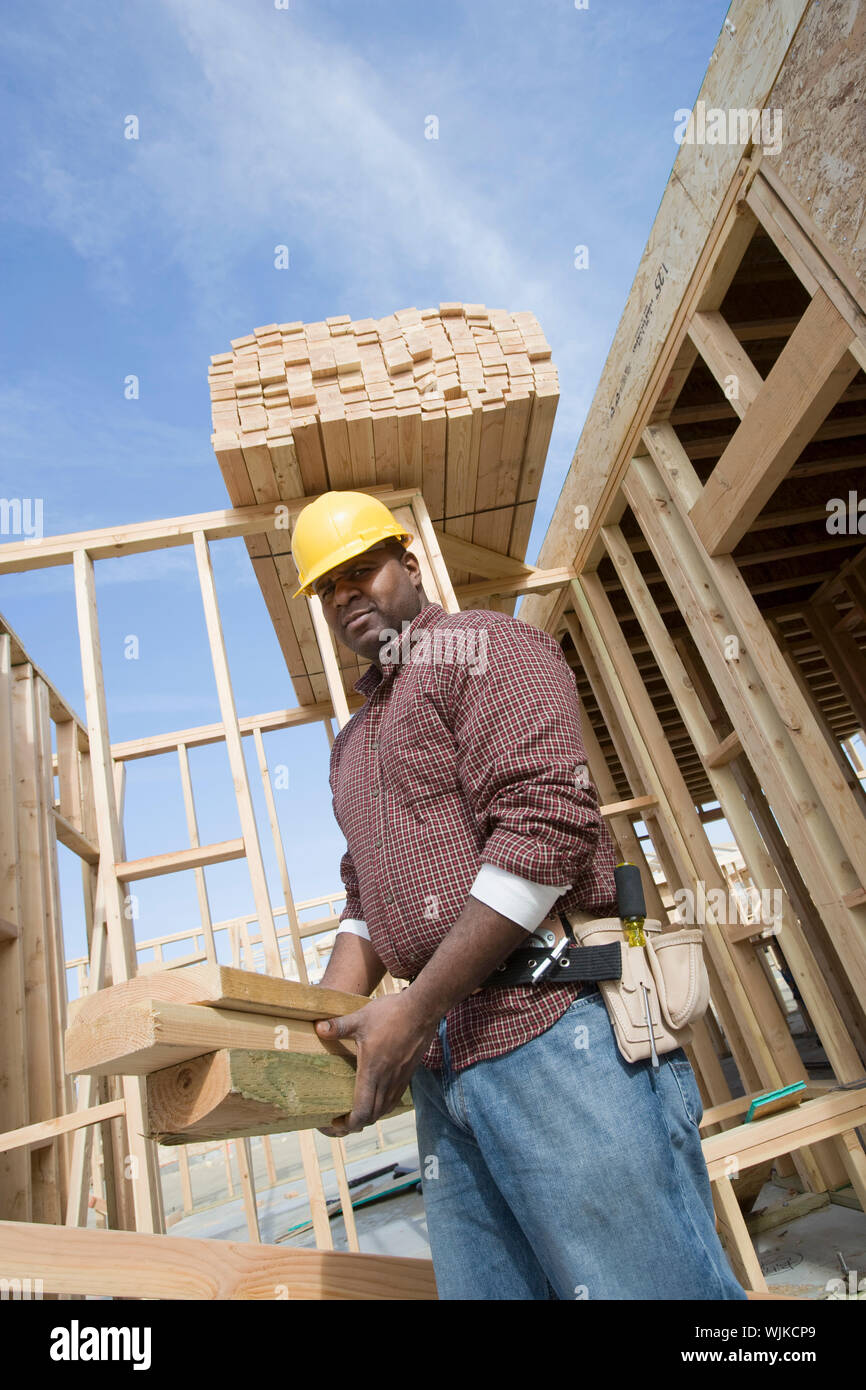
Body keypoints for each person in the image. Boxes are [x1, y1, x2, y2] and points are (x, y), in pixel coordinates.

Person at [293, 489, 747, 1302]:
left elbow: (547, 830)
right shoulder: (351, 746)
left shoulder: (488, 648)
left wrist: (416, 1007)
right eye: (327, 587)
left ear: (411, 562)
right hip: (443, 1071)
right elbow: (364, 897)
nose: (345, 595)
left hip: (557, 1035)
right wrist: (320, 1046)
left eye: (362, 569)